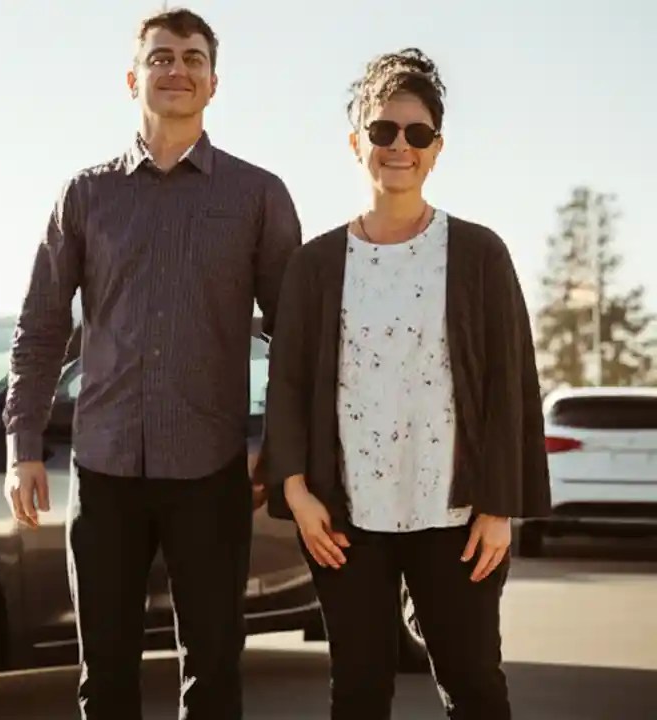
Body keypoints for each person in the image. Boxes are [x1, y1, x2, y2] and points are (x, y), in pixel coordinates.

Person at [1, 8, 302, 719]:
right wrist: (24, 447)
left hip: (211, 472)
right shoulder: (86, 195)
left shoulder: (258, 196)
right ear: (133, 77)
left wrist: (282, 450)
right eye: (163, 57)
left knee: (214, 675)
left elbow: (296, 335)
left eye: (193, 58)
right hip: (105, 473)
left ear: (214, 82)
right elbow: (41, 329)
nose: (178, 70)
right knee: (103, 677)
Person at [257, 48, 552, 720]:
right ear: (356, 140)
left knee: (473, 685)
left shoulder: (479, 254)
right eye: (383, 130)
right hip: (345, 520)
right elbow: (290, 383)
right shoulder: (315, 264)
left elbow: (511, 384)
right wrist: (297, 492)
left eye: (417, 134)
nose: (399, 146)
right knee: (358, 692)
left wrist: (499, 505)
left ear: (437, 148)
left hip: (455, 519)